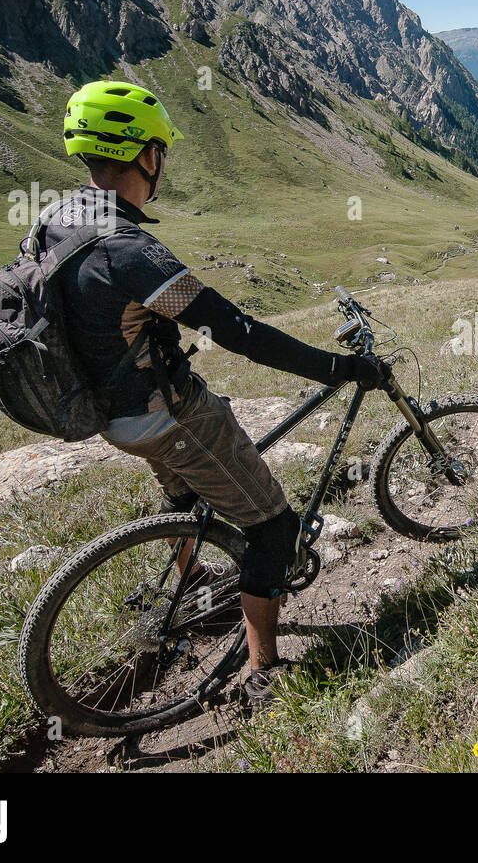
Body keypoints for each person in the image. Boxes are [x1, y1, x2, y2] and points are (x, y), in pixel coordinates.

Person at [48, 80, 384, 700]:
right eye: (159, 152)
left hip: (106, 413)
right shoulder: (132, 253)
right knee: (273, 526)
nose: (162, 165)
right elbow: (237, 332)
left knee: (188, 490)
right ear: (144, 154)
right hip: (162, 413)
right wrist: (338, 370)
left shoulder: (59, 220)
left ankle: (195, 574)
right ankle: (263, 671)